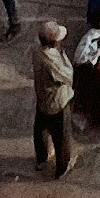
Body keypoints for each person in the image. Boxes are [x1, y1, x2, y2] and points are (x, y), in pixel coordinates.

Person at [31, 14, 77, 173]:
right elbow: (68, 75)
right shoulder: (52, 60)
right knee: (62, 138)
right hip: (57, 103)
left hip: (42, 98)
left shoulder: (36, 51)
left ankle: (42, 158)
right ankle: (62, 167)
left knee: (40, 130)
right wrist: (62, 55)